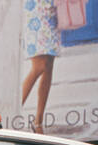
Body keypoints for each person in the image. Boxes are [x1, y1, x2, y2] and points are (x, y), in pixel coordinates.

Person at [21, 0, 60, 132]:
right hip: (36, 10)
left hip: (52, 10)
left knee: (48, 65)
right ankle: (10, 110)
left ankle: (38, 121)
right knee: (39, 66)